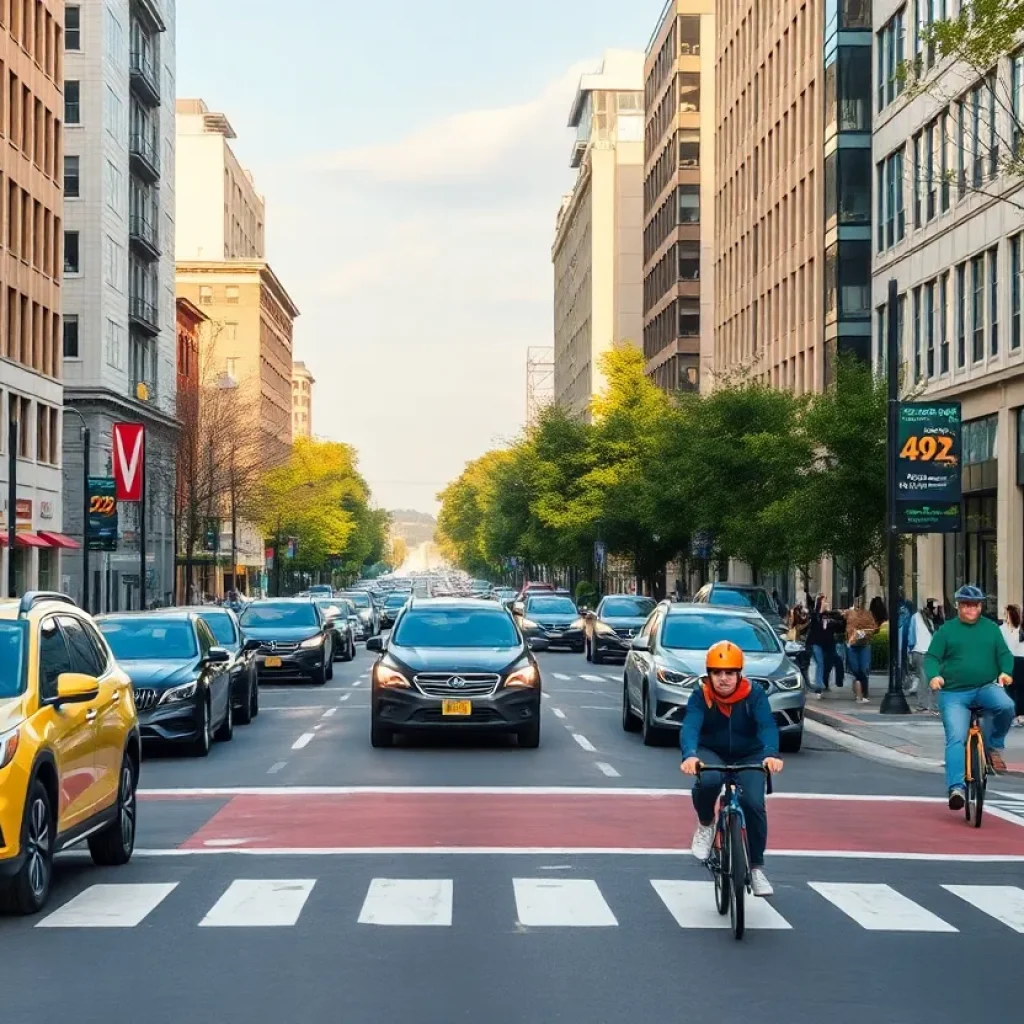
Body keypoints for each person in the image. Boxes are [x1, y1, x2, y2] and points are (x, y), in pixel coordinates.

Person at [680, 640, 784, 898]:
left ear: (740, 674)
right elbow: (691, 726)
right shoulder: (700, 695)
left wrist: (771, 754)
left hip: (750, 754)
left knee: (754, 803)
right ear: (709, 674)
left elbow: (767, 726)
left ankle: (757, 867)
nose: (723, 679)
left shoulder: (755, 694)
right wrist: (690, 755)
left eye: (729, 673)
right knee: (709, 780)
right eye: (717, 673)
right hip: (711, 752)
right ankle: (706, 824)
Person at [925, 584, 1016, 810]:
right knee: (956, 737)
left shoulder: (991, 629)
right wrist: (934, 676)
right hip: (954, 693)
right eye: (965, 604)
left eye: (975, 604)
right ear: (958, 606)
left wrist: (1005, 672)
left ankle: (994, 746)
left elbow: (1004, 654)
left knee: (1006, 706)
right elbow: (932, 657)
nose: (971, 609)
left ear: (980, 606)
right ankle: (956, 788)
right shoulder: (946, 630)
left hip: (985, 687)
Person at [843, 596, 878, 704]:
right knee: (855, 669)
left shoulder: (868, 614)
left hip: (864, 645)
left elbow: (874, 628)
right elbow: (841, 624)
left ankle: (863, 694)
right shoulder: (848, 613)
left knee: (864, 669)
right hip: (852, 645)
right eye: (857, 601)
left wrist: (865, 632)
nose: (859, 603)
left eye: (860, 601)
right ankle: (859, 691)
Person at [910, 599, 942, 714]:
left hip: (934, 653)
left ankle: (934, 706)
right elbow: (911, 635)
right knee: (924, 680)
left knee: (935, 679)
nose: (935, 611)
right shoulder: (917, 618)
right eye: (934, 609)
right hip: (921, 651)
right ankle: (923, 705)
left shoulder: (935, 620)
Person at [999, 604, 1024, 726]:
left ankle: (1020, 715)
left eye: (1007, 614)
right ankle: (1011, 714)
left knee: (1020, 689)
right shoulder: (1002, 629)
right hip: (1008, 660)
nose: (1005, 617)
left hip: (1020, 660)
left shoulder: (1020, 628)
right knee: (1008, 688)